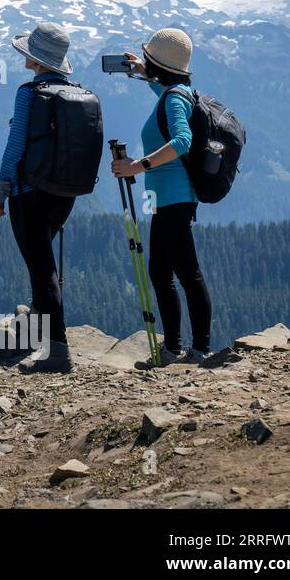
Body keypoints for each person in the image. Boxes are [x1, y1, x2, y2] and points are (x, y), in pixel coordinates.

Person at [109, 28, 212, 366]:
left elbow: (182, 140)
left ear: (158, 63)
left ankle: (198, 350)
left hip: (174, 198)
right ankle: (175, 349)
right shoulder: (176, 91)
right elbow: (167, 91)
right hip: (165, 199)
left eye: (149, 59)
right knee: (160, 272)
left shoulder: (174, 99)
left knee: (186, 273)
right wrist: (142, 73)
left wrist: (138, 166)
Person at [0, 22, 76, 374]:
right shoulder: (72, 94)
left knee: (43, 270)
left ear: (35, 58)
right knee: (42, 262)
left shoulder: (29, 94)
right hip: (63, 194)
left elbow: (15, 146)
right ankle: (37, 317)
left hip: (29, 195)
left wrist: (0, 187)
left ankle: (57, 352)